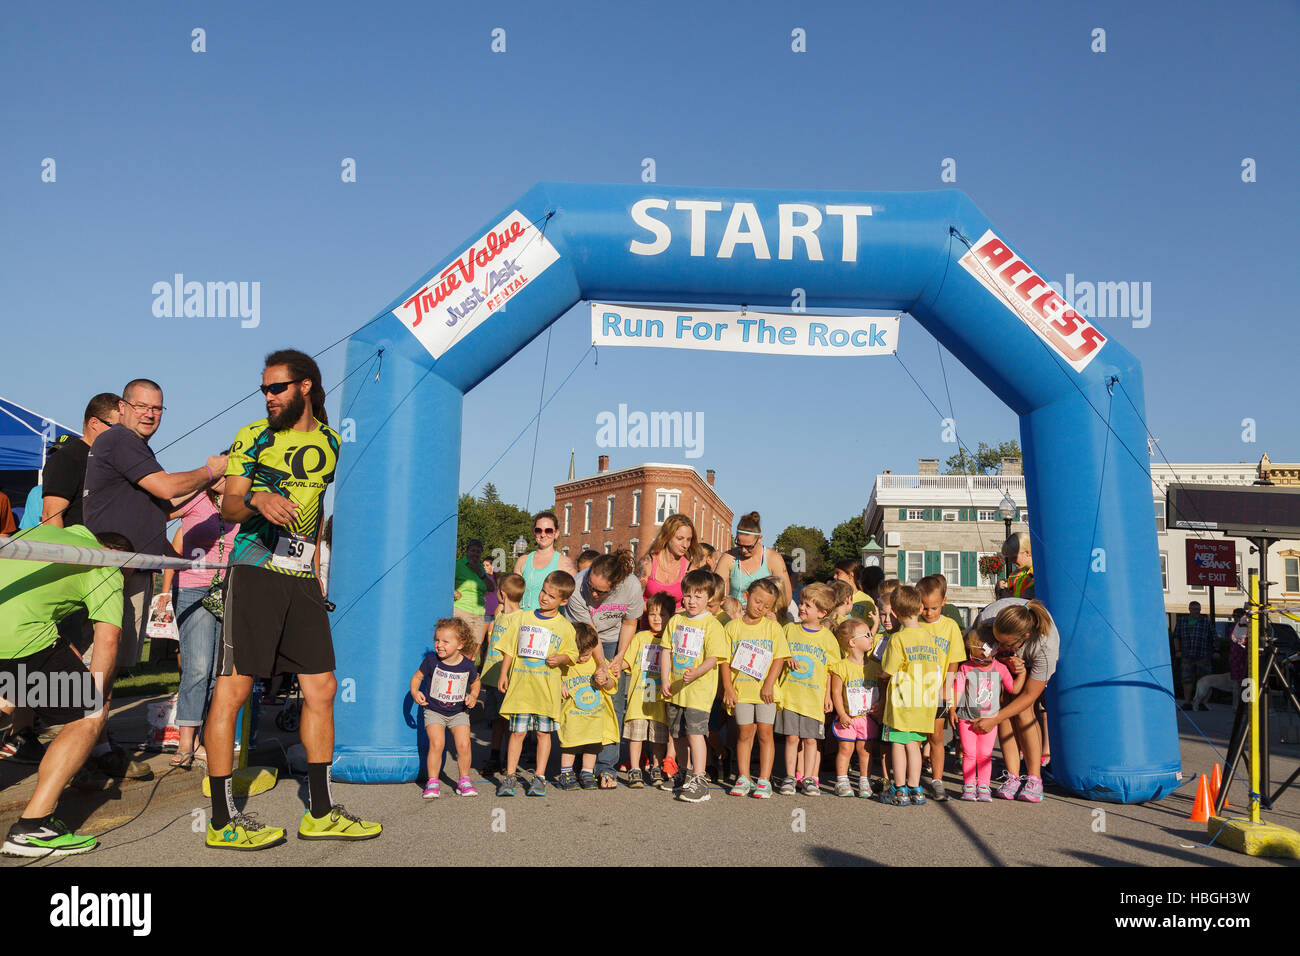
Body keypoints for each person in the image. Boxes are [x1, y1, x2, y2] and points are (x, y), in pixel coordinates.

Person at [210, 350, 380, 850]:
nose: (268, 397)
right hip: (255, 567)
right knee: (234, 690)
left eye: (277, 388)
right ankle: (222, 822)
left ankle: (321, 813)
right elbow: (229, 504)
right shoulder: (253, 435)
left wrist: (314, 568)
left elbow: (319, 508)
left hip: (300, 575)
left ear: (305, 387)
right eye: (264, 389)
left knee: (322, 688)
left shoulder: (330, 440)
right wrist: (258, 499)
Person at [0, 526, 132, 856]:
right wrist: (95, 703)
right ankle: (33, 828)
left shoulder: (57, 533)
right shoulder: (107, 566)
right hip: (19, 634)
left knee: (7, 696)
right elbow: (108, 640)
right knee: (89, 713)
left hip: (12, 626)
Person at [84, 380, 227, 675]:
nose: (149, 414)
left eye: (157, 408)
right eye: (141, 406)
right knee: (97, 665)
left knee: (114, 667)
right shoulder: (121, 439)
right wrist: (210, 471)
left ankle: (93, 720)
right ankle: (73, 720)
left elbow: (159, 511)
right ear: (123, 408)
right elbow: (165, 488)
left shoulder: (136, 448)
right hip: (111, 569)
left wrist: (206, 482)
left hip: (135, 569)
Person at [160, 477, 238, 768]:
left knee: (220, 671)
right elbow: (156, 514)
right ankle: (185, 742)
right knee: (197, 666)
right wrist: (166, 555)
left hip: (230, 592)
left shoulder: (242, 506)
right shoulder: (195, 498)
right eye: (223, 471)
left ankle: (203, 739)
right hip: (193, 588)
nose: (228, 478)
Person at [565, 549, 644, 788]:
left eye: (601, 591)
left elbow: (630, 622)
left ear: (616, 585)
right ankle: (575, 761)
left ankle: (605, 766)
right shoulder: (578, 586)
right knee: (580, 697)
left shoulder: (630, 586)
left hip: (613, 639)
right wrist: (601, 666)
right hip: (581, 637)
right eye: (592, 587)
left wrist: (619, 657)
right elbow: (590, 634)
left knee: (613, 703)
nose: (594, 593)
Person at [495, 570, 578, 797]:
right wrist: (504, 674)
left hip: (546, 691)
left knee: (543, 734)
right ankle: (510, 775)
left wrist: (560, 658)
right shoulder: (523, 618)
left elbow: (572, 654)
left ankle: (539, 776)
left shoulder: (564, 627)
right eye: (543, 591)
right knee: (517, 733)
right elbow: (509, 648)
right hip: (521, 688)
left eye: (551, 596)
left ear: (563, 601)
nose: (544, 597)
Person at [969, 598, 1060, 803]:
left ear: (1024, 637)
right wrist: (1001, 657)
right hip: (1005, 662)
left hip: (1030, 662)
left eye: (1006, 643)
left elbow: (1029, 696)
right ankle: (1012, 776)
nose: (999, 645)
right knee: (1002, 703)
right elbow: (977, 651)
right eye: (996, 640)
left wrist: (993, 719)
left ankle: (1034, 778)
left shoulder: (1045, 647)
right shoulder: (986, 620)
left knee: (1023, 711)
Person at [659, 568, 729, 803]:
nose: (692, 601)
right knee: (677, 734)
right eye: (688, 595)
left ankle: (700, 779)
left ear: (709, 598)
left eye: (698, 596)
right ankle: (683, 773)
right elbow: (666, 650)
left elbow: (713, 658)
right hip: (676, 690)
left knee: (696, 733)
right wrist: (665, 678)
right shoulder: (676, 620)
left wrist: (697, 672)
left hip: (699, 692)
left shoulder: (712, 625)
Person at [719, 577, 789, 798]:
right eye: (758, 602)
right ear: (747, 597)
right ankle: (743, 777)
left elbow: (779, 658)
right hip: (741, 691)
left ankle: (765, 780)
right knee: (744, 733)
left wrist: (769, 684)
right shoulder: (732, 628)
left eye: (767, 606)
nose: (761, 608)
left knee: (766, 734)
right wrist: (728, 689)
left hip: (766, 693)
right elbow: (724, 661)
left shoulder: (773, 627)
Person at [879, 584, 946, 806]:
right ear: (919, 608)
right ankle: (916, 787)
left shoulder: (898, 639)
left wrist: (879, 671)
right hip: (924, 700)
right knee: (914, 745)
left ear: (895, 614)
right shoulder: (930, 638)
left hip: (902, 700)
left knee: (898, 744)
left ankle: (900, 788)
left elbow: (888, 670)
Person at [776, 582, 840, 796]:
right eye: (802, 603)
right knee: (792, 738)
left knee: (811, 739)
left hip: (814, 699)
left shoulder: (828, 638)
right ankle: (790, 776)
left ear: (822, 613)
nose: (801, 608)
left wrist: (828, 695)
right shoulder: (789, 629)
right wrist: (787, 658)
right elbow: (779, 653)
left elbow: (832, 670)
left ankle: (810, 778)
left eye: (808, 606)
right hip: (791, 695)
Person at [411, 617, 480, 798]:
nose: (439, 645)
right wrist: (414, 692)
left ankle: (464, 780)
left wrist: (473, 696)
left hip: (459, 713)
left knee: (464, 745)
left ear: (460, 644)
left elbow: (476, 682)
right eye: (437, 640)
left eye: (445, 642)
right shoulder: (431, 661)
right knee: (437, 743)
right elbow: (417, 677)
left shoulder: (467, 664)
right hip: (434, 711)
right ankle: (432, 782)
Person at [950, 630, 1021, 800]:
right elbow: (957, 689)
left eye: (984, 659)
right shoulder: (966, 667)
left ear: (995, 652)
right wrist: (952, 709)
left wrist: (1023, 673)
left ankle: (983, 786)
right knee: (969, 753)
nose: (980, 662)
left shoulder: (1000, 668)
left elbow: (1014, 689)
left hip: (990, 719)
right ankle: (968, 785)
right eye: (976, 659)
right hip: (966, 718)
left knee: (984, 755)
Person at [917, 574, 965, 801]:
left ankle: (937, 780)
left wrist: (948, 686)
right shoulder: (913, 624)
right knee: (915, 736)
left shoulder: (950, 626)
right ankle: (912, 778)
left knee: (935, 737)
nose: (928, 612)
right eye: (924, 607)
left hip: (938, 689)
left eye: (934, 607)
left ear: (944, 602)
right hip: (915, 688)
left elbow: (954, 659)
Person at [556, 623, 619, 790]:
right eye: (579, 655)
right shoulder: (565, 664)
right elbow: (552, 678)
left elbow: (613, 684)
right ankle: (566, 773)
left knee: (592, 746)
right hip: (572, 717)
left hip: (594, 718)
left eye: (587, 654)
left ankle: (586, 772)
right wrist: (559, 685)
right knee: (570, 746)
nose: (582, 658)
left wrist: (606, 680)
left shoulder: (598, 663)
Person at [621, 591, 674, 789]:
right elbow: (627, 661)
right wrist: (614, 667)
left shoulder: (672, 640)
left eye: (662, 615)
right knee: (636, 735)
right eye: (652, 614)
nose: (657, 619)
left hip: (660, 699)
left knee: (659, 738)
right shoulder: (640, 637)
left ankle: (656, 765)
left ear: (671, 617)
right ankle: (635, 768)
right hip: (639, 697)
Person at [829, 617, 882, 798]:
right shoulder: (840, 667)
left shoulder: (875, 667)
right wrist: (842, 713)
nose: (871, 637)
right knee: (845, 749)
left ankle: (864, 781)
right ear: (852, 642)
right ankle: (842, 781)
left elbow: (881, 691)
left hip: (868, 718)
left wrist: (879, 707)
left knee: (865, 750)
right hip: (848, 718)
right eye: (866, 634)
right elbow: (836, 692)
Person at [479, 572, 525, 775]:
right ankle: (495, 754)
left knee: (509, 720)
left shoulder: (520, 618)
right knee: (496, 719)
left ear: (502, 593)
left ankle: (509, 757)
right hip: (491, 676)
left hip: (507, 678)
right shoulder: (500, 616)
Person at [715, 512, 792, 606]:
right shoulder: (729, 557)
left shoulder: (773, 559)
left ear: (759, 538)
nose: (743, 550)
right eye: (739, 545)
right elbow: (714, 591)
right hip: (734, 616)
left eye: (749, 547)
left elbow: (786, 597)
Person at [637, 513, 704, 615]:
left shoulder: (691, 570)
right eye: (680, 538)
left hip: (676, 628)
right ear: (667, 537)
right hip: (647, 628)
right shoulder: (647, 563)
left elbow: (699, 606)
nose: (685, 545)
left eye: (689, 539)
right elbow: (633, 603)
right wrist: (667, 611)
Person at [513, 512, 577, 611]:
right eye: (539, 530)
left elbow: (574, 598)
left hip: (549, 624)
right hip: (522, 622)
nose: (543, 534)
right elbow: (513, 595)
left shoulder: (565, 563)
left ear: (556, 534)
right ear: (534, 532)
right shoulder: (523, 561)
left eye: (548, 531)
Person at [1173, 600, 1217, 708]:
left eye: (1198, 609)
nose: (1197, 611)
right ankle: (1187, 702)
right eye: (1194, 609)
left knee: (1205, 679)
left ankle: (1202, 702)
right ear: (1189, 609)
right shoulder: (1182, 620)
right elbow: (1176, 636)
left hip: (1203, 654)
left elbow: (1214, 637)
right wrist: (1178, 650)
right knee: (1187, 678)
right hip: (1187, 654)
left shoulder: (1205, 621)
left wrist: (1216, 650)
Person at [452, 538, 493, 645]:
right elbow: (446, 581)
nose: (475, 554)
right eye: (473, 550)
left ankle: (470, 662)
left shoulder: (481, 567)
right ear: (467, 551)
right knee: (462, 644)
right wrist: (454, 591)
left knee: (475, 646)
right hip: (462, 609)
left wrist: (481, 573)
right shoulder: (458, 565)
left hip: (479, 612)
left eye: (478, 551)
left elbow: (491, 588)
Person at [998, 532, 1034, 599]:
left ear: (1027, 553)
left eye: (1014, 557)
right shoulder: (1015, 574)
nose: (1011, 561)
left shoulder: (1040, 573)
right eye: (1008, 557)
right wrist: (1003, 589)